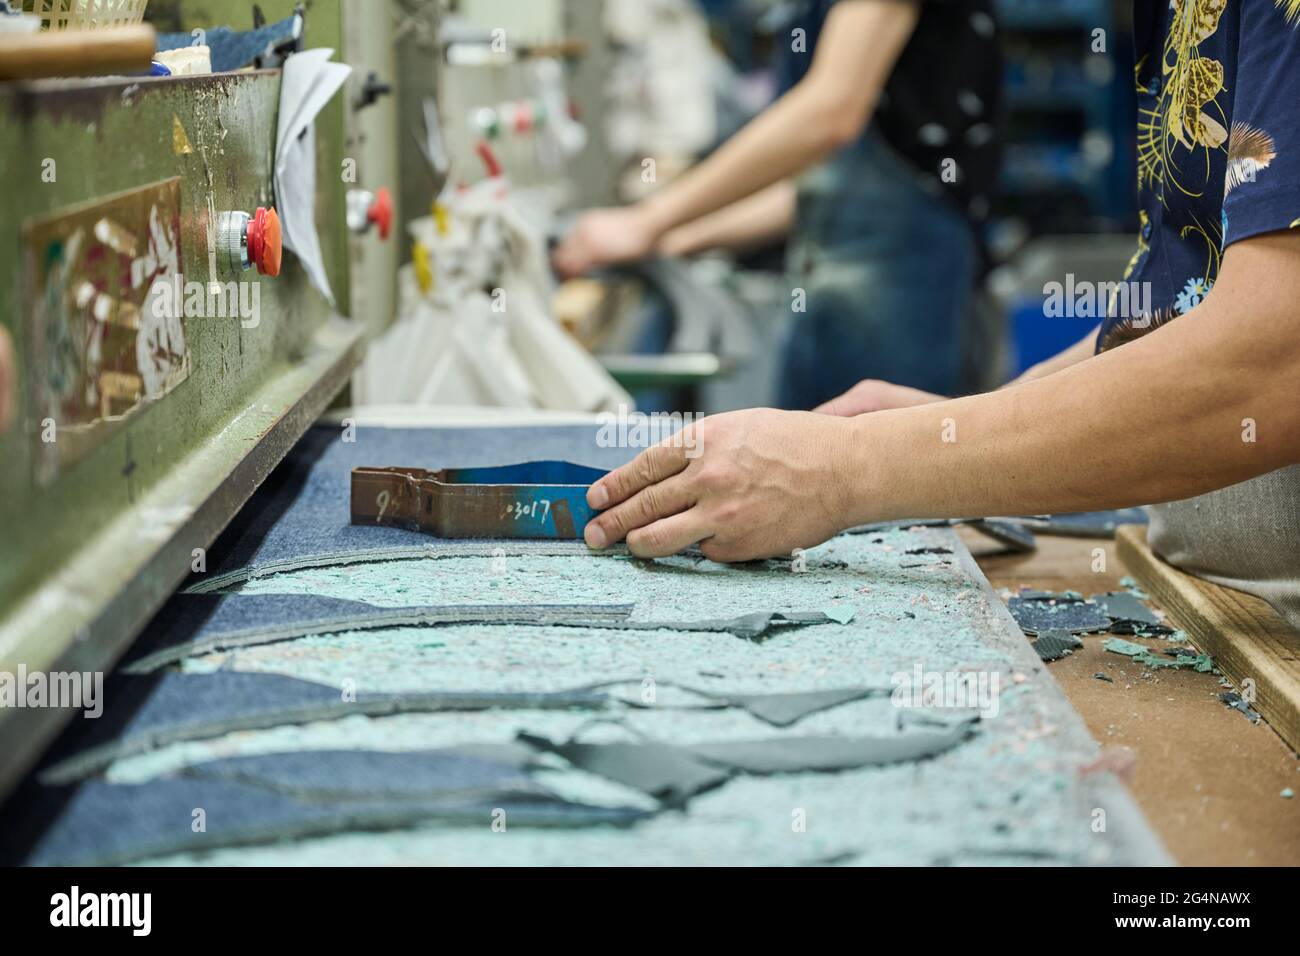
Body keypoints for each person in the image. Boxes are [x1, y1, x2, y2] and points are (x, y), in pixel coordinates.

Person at [578, 0, 1300, 631]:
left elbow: (1269, 362)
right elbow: (1183, 305)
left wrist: (853, 469)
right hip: (1218, 599)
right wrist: (952, 427)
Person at [553, 0, 1002, 405]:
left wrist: (646, 222)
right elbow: (812, 189)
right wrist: (676, 239)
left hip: (908, 303)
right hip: (830, 310)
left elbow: (830, 114)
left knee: (890, 482)